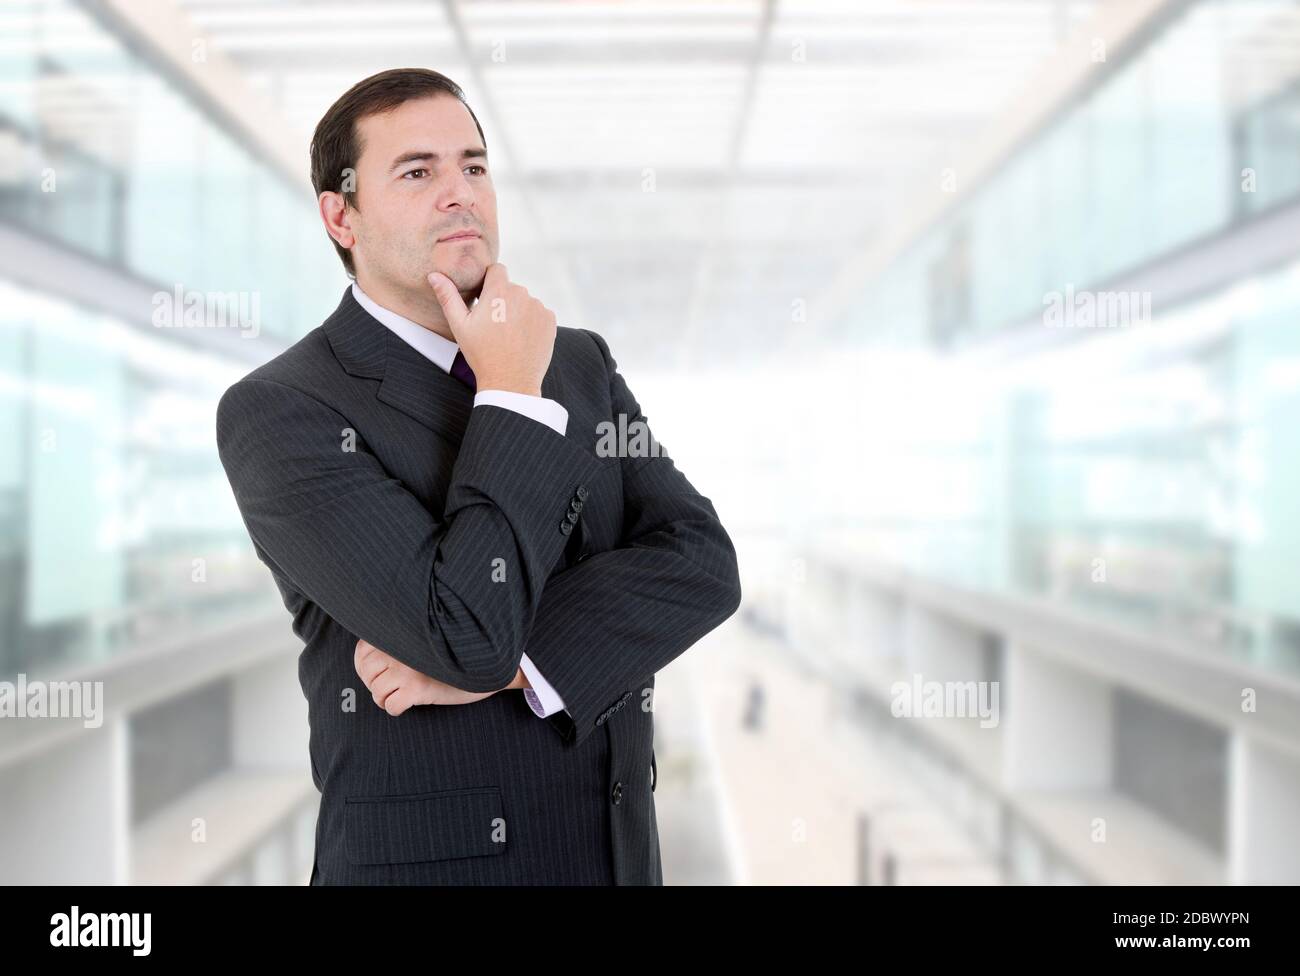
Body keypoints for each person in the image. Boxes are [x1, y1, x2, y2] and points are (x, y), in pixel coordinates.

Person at [215, 68, 741, 885]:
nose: (460, 193)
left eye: (474, 165)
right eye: (418, 172)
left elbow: (704, 562)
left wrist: (522, 664)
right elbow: (464, 629)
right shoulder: (284, 412)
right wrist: (505, 392)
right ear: (340, 214)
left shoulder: (577, 360)